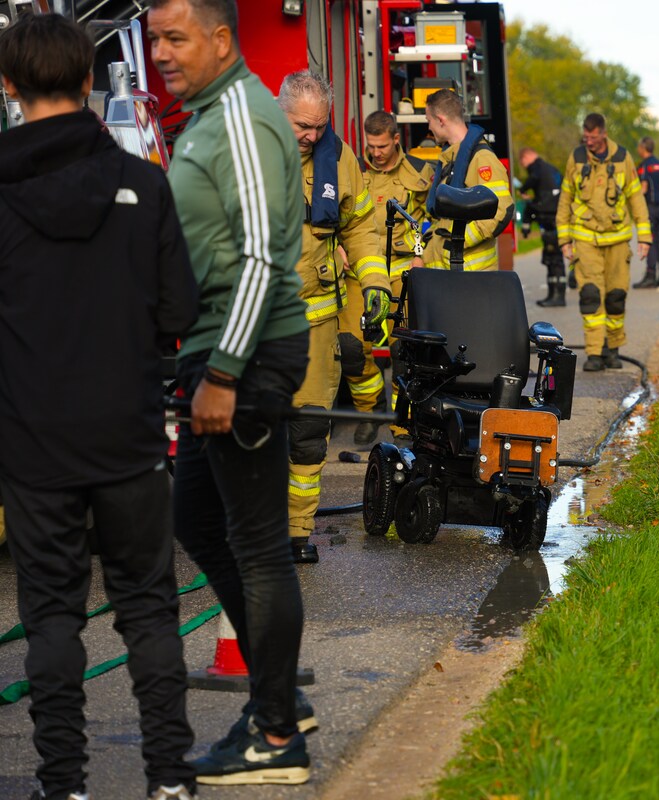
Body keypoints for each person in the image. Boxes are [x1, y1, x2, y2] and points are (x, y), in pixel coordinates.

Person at [0, 14, 198, 800]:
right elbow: (178, 312)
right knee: (147, 610)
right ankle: (170, 779)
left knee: (52, 618)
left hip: (32, 443)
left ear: (7, 86)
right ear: (89, 81)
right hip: (129, 434)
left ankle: (64, 786)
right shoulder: (144, 185)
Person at [147, 0, 313, 785]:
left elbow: (260, 258)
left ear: (221, 39)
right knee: (198, 521)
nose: (160, 53)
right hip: (210, 351)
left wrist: (222, 373)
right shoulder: (210, 116)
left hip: (242, 354)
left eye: (175, 38)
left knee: (257, 543)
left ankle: (276, 735)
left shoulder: (243, 117)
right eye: (154, 39)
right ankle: (279, 698)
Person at [278, 70, 391, 563]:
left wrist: (376, 284)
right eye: (302, 126)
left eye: (320, 126)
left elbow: (361, 229)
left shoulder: (339, 158)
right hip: (253, 324)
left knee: (307, 432)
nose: (312, 135)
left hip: (316, 320)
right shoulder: (244, 152)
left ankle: (296, 532)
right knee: (251, 429)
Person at [346, 109, 434, 446]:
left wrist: (421, 253)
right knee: (352, 348)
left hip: (402, 270)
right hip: (360, 272)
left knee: (403, 351)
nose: (376, 153)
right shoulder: (352, 170)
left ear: (396, 139)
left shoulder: (420, 171)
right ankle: (370, 411)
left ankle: (402, 420)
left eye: (382, 146)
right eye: (370, 146)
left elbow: (431, 219)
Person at [557, 112, 651, 372]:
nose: (589, 142)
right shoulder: (577, 158)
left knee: (615, 296)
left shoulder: (622, 157)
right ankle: (594, 352)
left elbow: (636, 198)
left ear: (604, 134)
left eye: (593, 137)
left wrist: (645, 237)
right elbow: (565, 198)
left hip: (617, 239)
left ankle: (613, 349)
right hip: (585, 239)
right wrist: (564, 239)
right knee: (590, 296)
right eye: (586, 137)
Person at [414, 89, 513, 271]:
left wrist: (459, 240)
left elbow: (501, 210)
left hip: (470, 275)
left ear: (441, 120)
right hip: (450, 272)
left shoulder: (481, 159)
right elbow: (441, 221)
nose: (429, 128)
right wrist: (423, 254)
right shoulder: (450, 157)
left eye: (429, 121)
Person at [518, 146, 566, 306]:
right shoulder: (551, 169)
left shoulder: (537, 169)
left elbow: (533, 182)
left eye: (523, 163)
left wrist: (523, 189)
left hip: (550, 219)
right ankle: (554, 294)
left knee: (554, 258)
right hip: (557, 217)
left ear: (526, 157)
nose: (524, 167)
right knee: (553, 257)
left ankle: (557, 296)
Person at [633, 136, 659, 289]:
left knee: (649, 240)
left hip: (649, 207)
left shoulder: (644, 166)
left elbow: (643, 188)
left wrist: (635, 204)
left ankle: (650, 275)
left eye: (639, 147)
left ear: (643, 148)